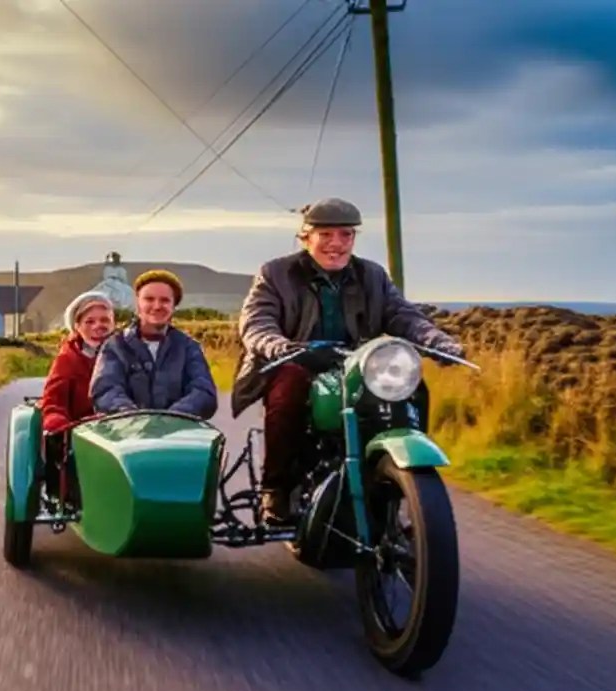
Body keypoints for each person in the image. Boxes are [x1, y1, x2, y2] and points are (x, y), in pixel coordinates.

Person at [233, 197, 465, 524]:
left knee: (410, 386)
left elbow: (402, 315)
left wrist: (438, 342)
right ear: (306, 237)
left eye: (346, 234)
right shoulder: (276, 273)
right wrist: (279, 346)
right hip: (297, 360)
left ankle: (397, 476)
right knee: (288, 389)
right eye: (326, 235)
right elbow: (256, 322)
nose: (337, 243)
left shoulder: (372, 275)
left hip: (358, 364)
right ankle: (278, 488)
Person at [90, 269, 218, 419]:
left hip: (178, 430)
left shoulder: (189, 348)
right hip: (128, 430)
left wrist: (170, 418)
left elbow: (203, 393)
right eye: (149, 299)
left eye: (165, 300)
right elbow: (106, 390)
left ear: (174, 306)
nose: (157, 306)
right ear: (138, 304)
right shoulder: (115, 346)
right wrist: (134, 417)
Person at [40, 290, 116, 433]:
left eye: (105, 320)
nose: (98, 326)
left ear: (113, 324)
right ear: (77, 326)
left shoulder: (127, 353)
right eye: (89, 321)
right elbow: (54, 402)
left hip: (123, 429)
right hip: (82, 433)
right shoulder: (68, 359)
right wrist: (57, 422)